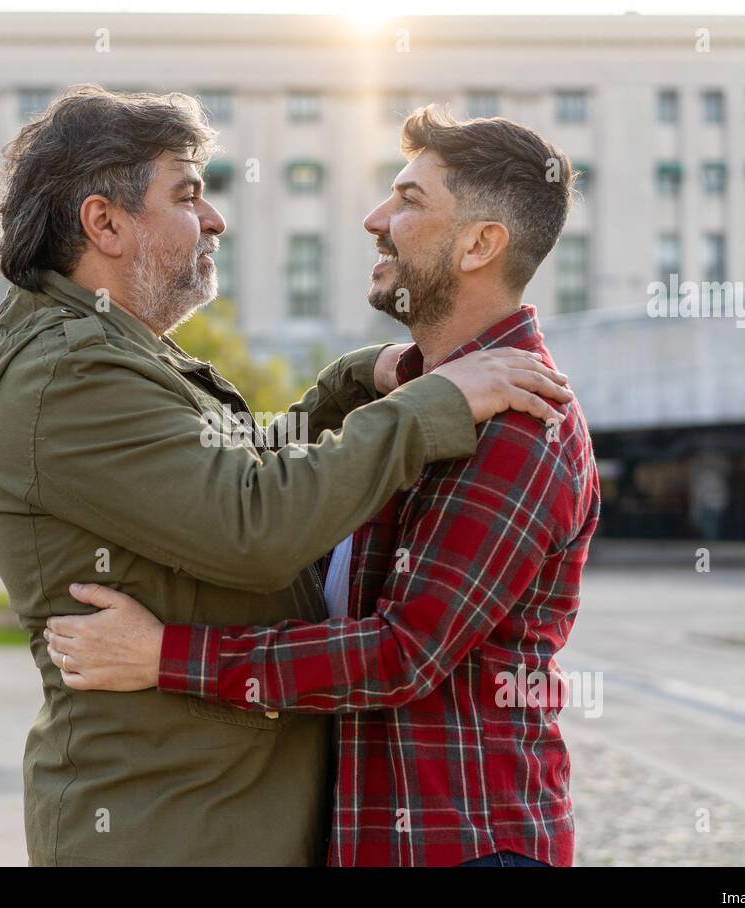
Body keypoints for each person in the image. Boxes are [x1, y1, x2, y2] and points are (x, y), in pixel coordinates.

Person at [44, 107, 599, 867]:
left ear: (479, 244)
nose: (375, 218)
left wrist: (164, 655)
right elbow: (260, 486)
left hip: (465, 848)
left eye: (409, 201)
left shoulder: (517, 421)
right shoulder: (418, 402)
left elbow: (401, 653)